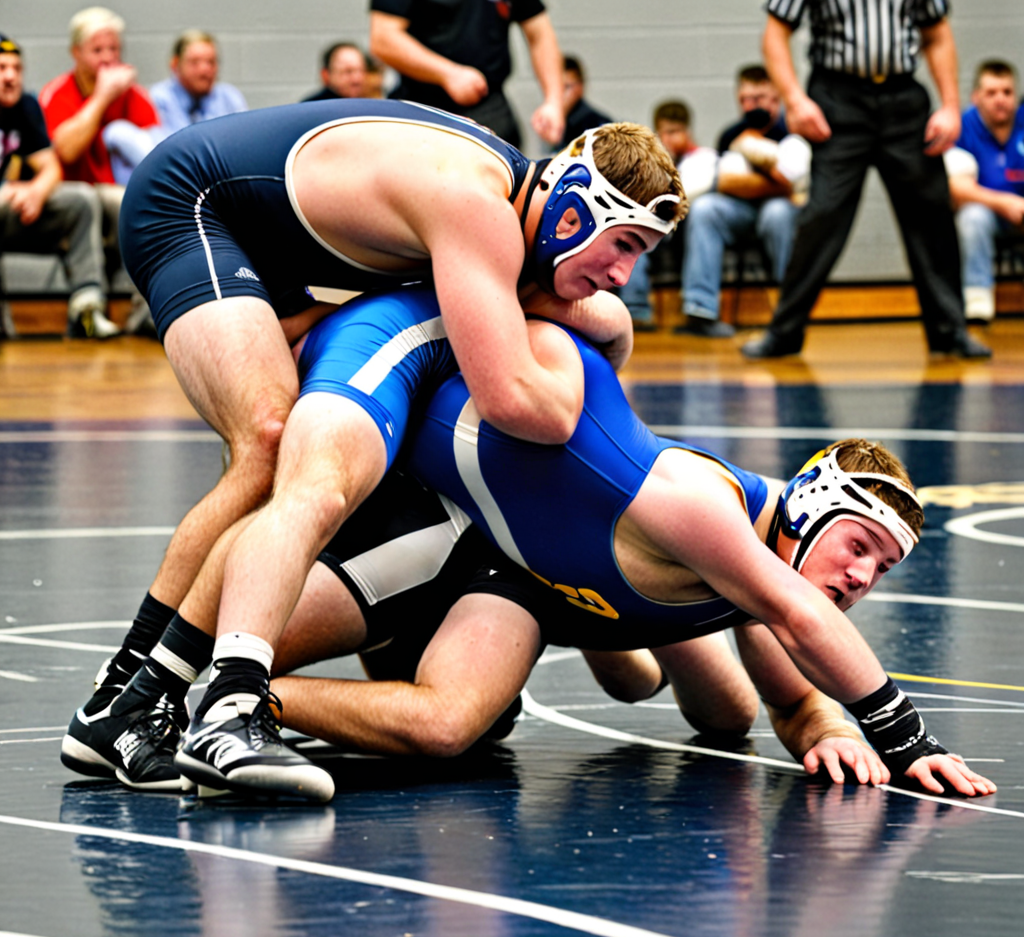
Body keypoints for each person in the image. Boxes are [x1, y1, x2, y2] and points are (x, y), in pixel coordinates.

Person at [62, 290, 995, 802]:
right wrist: (900, 735)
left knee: (458, 724)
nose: (864, 575)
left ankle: (220, 712)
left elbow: (745, 718)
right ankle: (160, 689)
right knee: (272, 561)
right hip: (451, 514)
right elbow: (790, 617)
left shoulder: (759, 585)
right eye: (860, 544)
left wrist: (827, 725)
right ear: (808, 506)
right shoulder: (713, 511)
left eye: (884, 567)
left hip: (514, 580)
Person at [60, 113, 684, 799]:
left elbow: (585, 317)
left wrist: (599, 323)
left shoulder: (499, 209)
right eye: (622, 245)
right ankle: (131, 699)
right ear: (570, 212)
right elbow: (512, 398)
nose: (624, 274)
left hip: (291, 247)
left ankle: (126, 705)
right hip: (193, 203)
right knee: (270, 441)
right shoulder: (478, 207)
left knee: (302, 448)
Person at [742, 0, 991, 360]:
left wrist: (950, 106)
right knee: (822, 216)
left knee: (931, 213)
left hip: (902, 97)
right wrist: (795, 100)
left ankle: (950, 332)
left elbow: (936, 34)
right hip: (837, 98)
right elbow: (775, 33)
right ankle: (784, 332)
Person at [38, 6, 158, 335]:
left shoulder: (136, 96)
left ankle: (149, 311)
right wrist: (103, 97)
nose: (108, 59)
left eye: (114, 49)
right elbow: (66, 149)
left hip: (115, 194)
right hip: (68, 195)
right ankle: (87, 312)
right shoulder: (58, 92)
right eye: (97, 50)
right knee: (89, 200)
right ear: (76, 53)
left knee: (142, 204)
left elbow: (157, 159)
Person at [0, 33, 118, 339]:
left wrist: (36, 191)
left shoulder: (24, 107)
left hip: (13, 210)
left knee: (80, 199)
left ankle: (86, 309)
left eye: (16, 68)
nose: (11, 77)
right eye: (1, 68)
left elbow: (52, 166)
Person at [676, 65, 808, 339]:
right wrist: (767, 185)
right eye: (744, 99)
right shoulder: (731, 134)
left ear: (775, 98)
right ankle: (700, 310)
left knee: (777, 212)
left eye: (758, 98)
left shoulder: (792, 132)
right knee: (704, 209)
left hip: (782, 210)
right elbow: (724, 183)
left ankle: (790, 310)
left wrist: (754, 176)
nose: (751, 106)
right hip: (740, 212)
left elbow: (791, 185)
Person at [369, 0, 564, 148]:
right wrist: (447, 74)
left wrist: (554, 101)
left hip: (488, 106)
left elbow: (540, 33)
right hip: (423, 107)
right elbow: (383, 38)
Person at [620, 99, 719, 329]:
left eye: (675, 132)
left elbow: (682, 197)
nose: (669, 139)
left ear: (687, 131)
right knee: (633, 225)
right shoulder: (647, 163)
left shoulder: (705, 157)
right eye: (664, 133)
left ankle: (699, 311)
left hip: (690, 231)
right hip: (659, 230)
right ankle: (635, 311)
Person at [944, 60, 1024, 326]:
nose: (1000, 100)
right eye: (991, 93)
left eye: (1007, 92)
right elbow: (957, 188)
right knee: (973, 216)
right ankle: (977, 299)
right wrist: (1004, 203)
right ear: (975, 97)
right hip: (987, 212)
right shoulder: (963, 128)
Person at [149, 30, 247, 133]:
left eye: (211, 62)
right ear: (175, 64)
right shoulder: (158, 100)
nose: (204, 70)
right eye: (195, 62)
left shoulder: (230, 98)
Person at [558, 55, 611, 150]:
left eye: (566, 87)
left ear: (580, 86)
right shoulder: (557, 123)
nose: (560, 93)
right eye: (556, 87)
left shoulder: (597, 125)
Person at [301, 41, 367, 102]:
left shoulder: (369, 106)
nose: (356, 79)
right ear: (326, 75)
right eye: (348, 71)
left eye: (361, 71)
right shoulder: (312, 107)